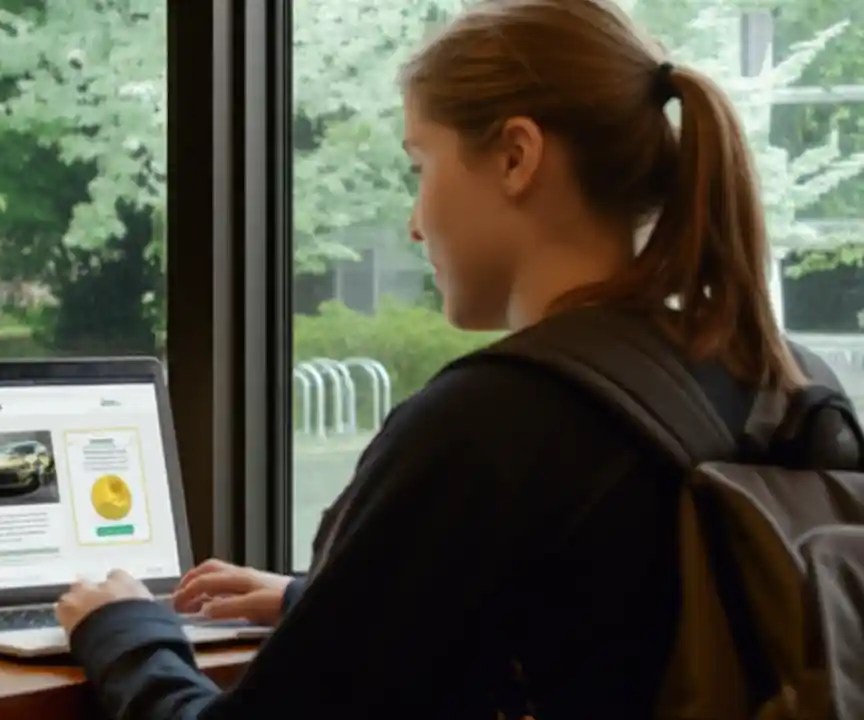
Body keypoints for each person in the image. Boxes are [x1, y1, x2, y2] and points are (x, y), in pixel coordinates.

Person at [54, 0, 820, 717]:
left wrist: (124, 630)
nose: (416, 224)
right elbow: (613, 626)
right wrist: (320, 602)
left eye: (420, 164)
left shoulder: (492, 424)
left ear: (517, 156)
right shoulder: (781, 379)